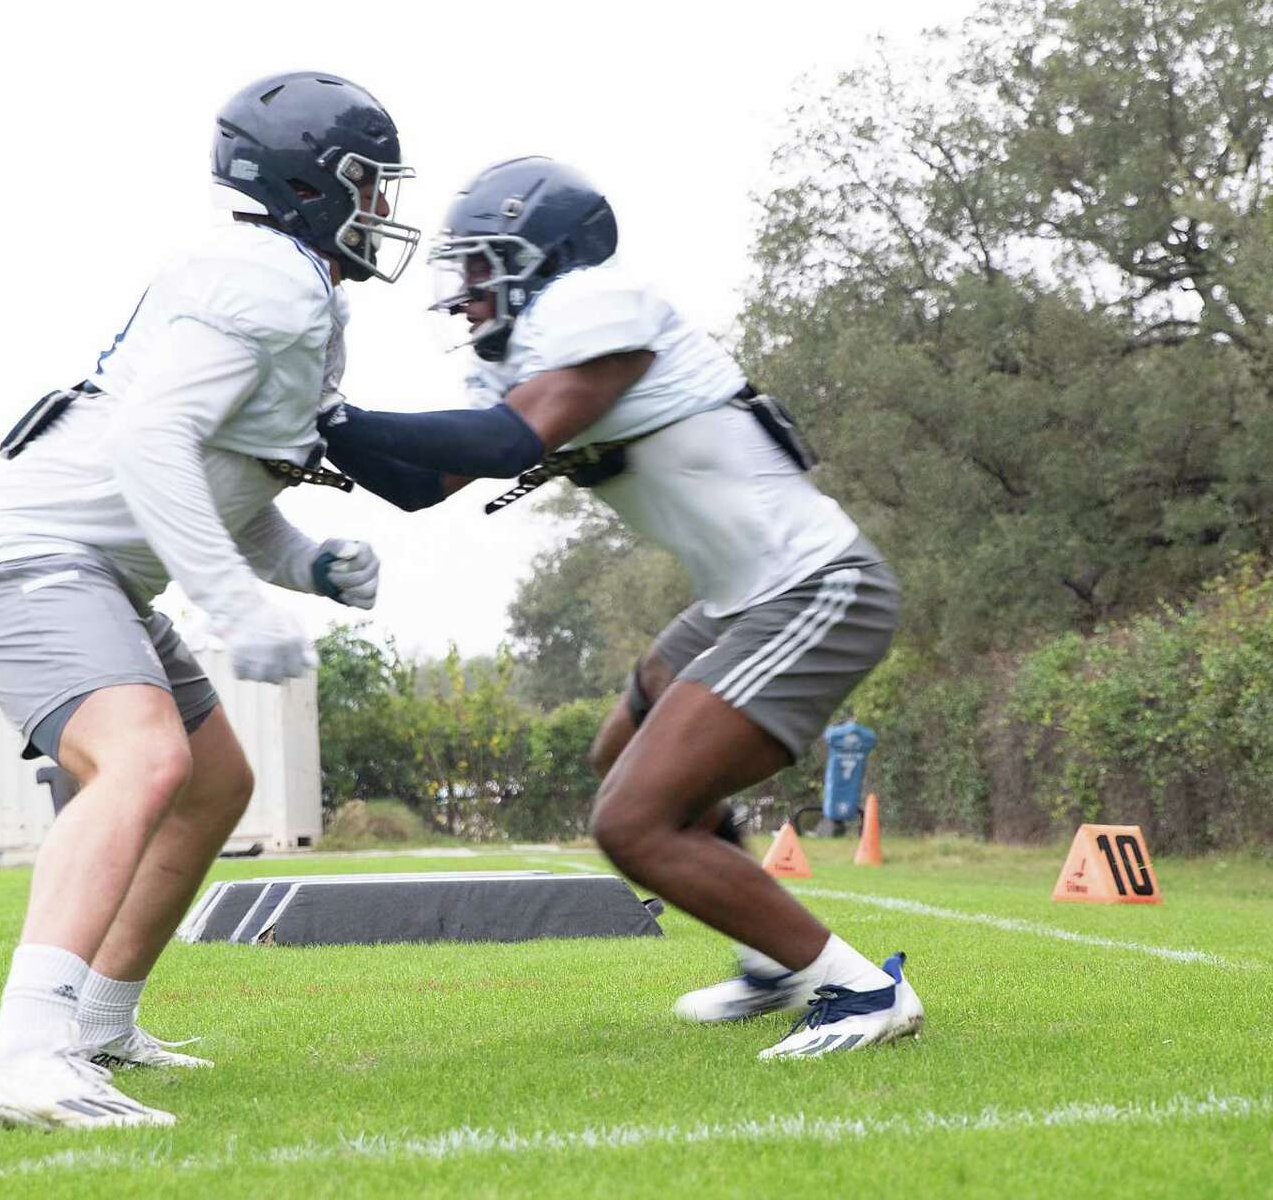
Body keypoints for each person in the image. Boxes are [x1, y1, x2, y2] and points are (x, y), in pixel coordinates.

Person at [320, 156, 922, 1059]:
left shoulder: (598, 304)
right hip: (738, 599)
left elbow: (506, 441)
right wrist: (298, 425)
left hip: (816, 584)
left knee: (632, 821)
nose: (466, 290)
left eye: (483, 265)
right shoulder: (528, 352)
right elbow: (425, 485)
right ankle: (772, 954)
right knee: (618, 755)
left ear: (543, 254)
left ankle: (856, 989)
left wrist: (334, 417)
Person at [0, 70, 414, 1127]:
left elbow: (214, 487)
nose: (379, 208)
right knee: (147, 756)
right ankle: (24, 1049)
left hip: (91, 562)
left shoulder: (293, 290)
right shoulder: (270, 276)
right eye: (366, 185)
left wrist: (308, 564)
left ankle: (95, 1023)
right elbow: (152, 443)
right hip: (23, 555)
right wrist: (234, 606)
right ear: (305, 180)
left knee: (211, 782)